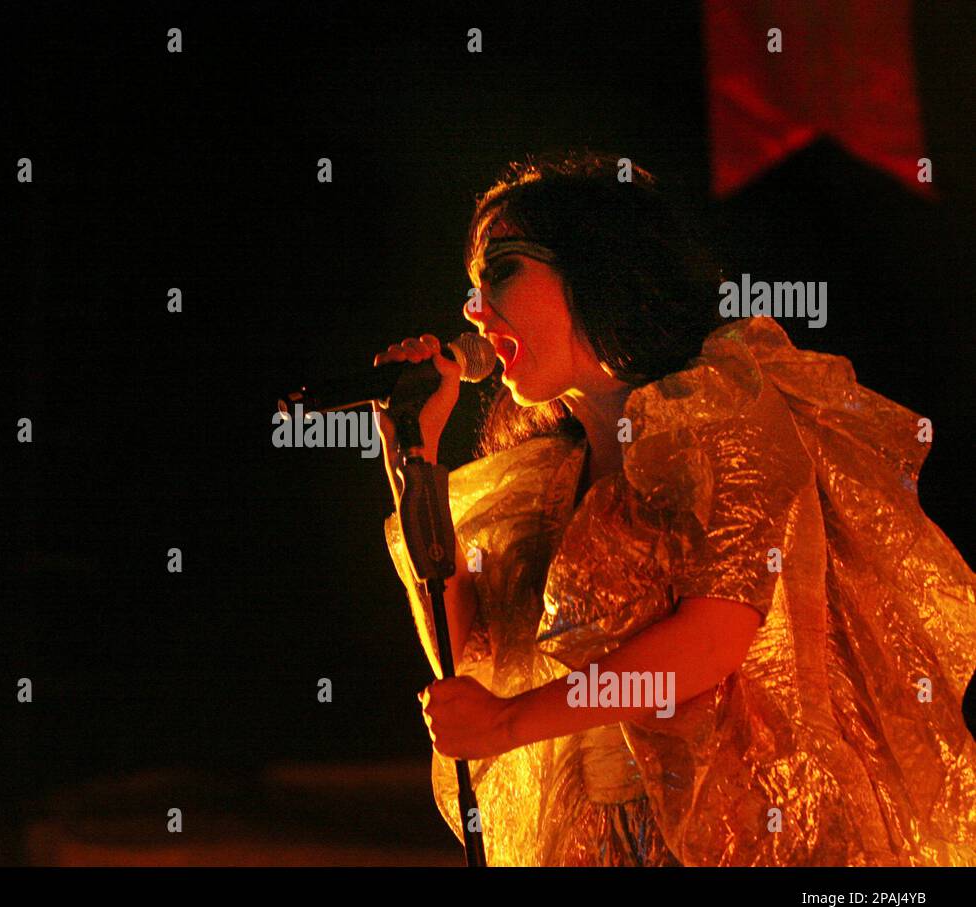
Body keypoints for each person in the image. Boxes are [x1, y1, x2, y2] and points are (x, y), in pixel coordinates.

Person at [373, 152, 976, 866]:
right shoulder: (545, 481)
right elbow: (469, 652)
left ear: (596, 272)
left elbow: (709, 642)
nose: (474, 311)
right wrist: (410, 455)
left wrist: (508, 722)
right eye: (471, 288)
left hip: (747, 838)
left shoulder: (724, 412)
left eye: (501, 271)